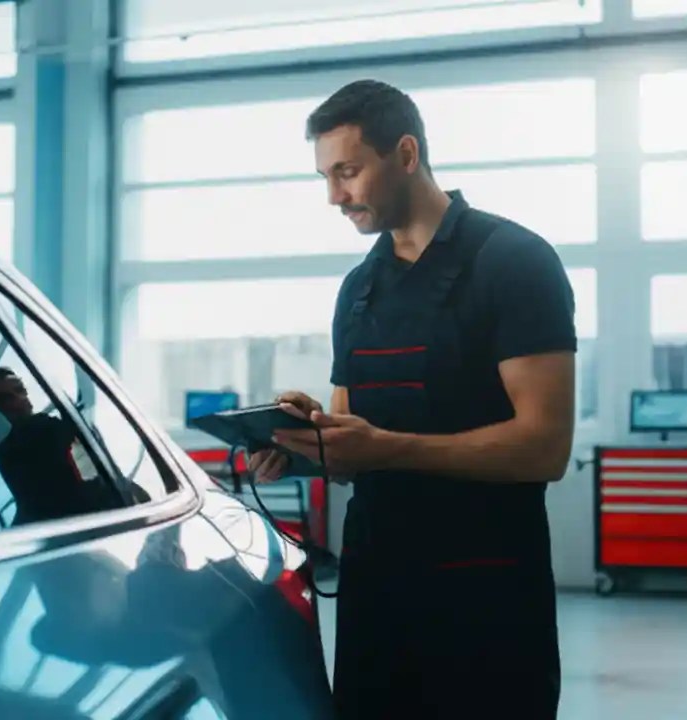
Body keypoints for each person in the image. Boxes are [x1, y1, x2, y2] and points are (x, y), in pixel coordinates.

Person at [250, 80, 576, 719]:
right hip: (379, 589)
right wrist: (307, 441)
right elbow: (352, 446)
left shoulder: (514, 261)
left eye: (348, 171)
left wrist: (386, 447)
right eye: (325, 176)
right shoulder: (359, 288)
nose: (334, 196)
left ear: (405, 153)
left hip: (487, 594)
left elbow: (545, 446)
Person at [0, 367, 126, 525]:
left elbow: (93, 480)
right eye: (4, 398)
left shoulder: (66, 429)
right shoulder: (10, 452)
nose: (18, 399)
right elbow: (92, 482)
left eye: (20, 390)